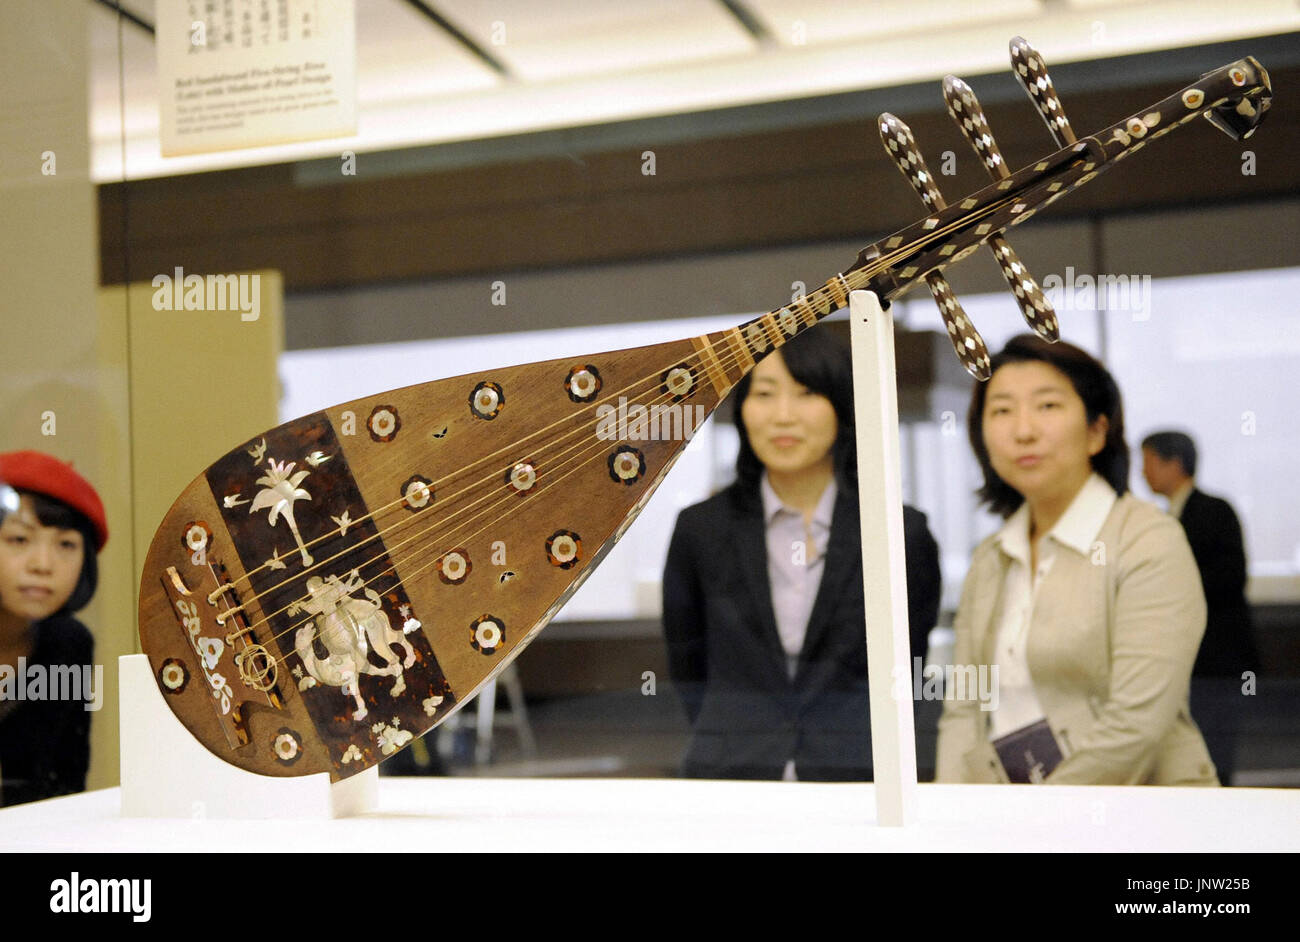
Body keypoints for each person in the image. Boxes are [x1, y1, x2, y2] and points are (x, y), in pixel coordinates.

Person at [661, 327, 941, 781]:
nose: (783, 416)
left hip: (860, 776)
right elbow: (687, 662)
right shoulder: (701, 529)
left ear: (842, 407)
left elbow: (909, 670)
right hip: (731, 774)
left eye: (807, 393)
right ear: (743, 409)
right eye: (765, 394)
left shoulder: (897, 529)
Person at [935, 335, 1217, 785]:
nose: (1023, 430)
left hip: (1137, 818)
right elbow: (963, 709)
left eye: (1047, 406)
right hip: (1001, 821)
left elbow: (1135, 725)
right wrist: (953, 815)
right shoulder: (991, 557)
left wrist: (1035, 825)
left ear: (1096, 431)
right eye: (1002, 410)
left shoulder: (1147, 541)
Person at [1141, 430, 1258, 783]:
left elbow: (1231, 577)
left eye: (1148, 462)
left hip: (1217, 660)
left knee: (1216, 755)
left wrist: (1172, 584)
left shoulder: (1215, 510)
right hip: (1178, 662)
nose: (1142, 472)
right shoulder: (1158, 519)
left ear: (1173, 464)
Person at [0, 450, 107, 806]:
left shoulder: (69, 644)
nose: (42, 565)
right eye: (19, 539)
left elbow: (64, 788)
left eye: (65, 544)